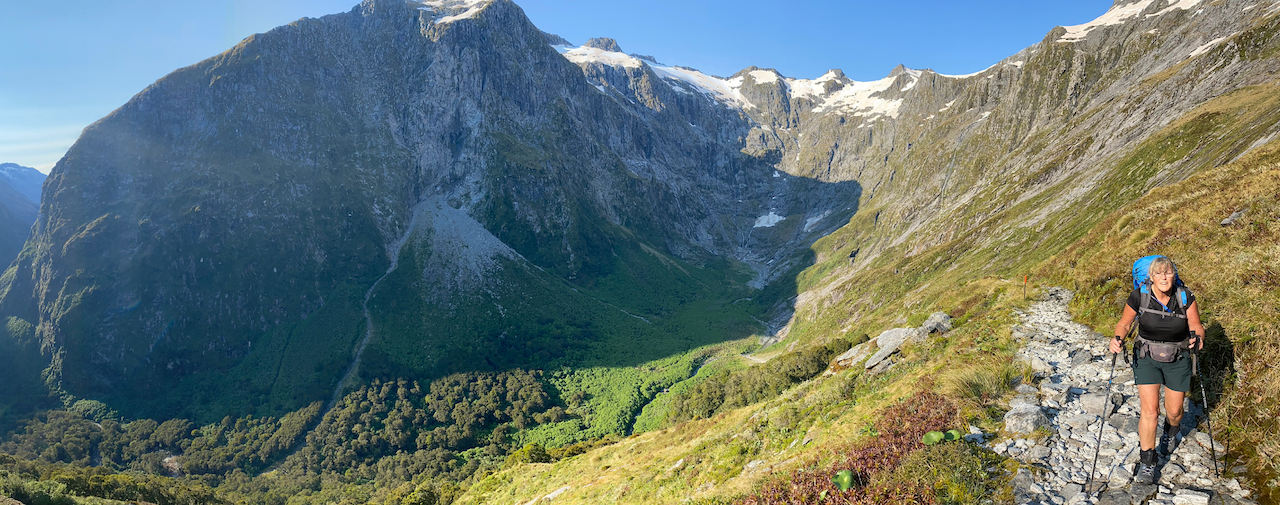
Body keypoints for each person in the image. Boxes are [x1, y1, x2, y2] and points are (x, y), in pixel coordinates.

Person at [1109, 256, 1204, 485]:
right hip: (1147, 357)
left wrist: (1199, 338)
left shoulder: (1185, 296)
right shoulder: (1139, 296)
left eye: (1168, 272)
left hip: (1178, 357)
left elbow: (1196, 325)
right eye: (1159, 273)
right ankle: (1148, 461)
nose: (1164, 277)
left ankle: (1171, 432)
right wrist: (1117, 338)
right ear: (1150, 277)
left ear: (1174, 274)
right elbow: (1125, 322)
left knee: (1174, 411)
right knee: (1150, 411)